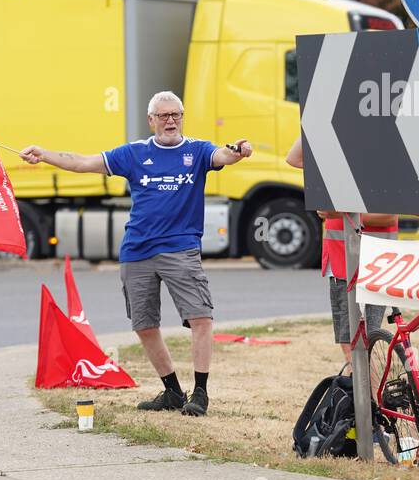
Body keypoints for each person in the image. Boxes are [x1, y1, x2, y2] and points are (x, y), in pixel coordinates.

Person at [20, 91, 250, 417]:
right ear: (151, 120)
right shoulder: (135, 154)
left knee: (201, 318)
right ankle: (172, 391)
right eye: (164, 115)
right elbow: (83, 162)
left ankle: (200, 393)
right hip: (137, 250)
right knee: (144, 325)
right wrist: (44, 155)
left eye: (176, 115)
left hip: (180, 248)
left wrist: (238, 152)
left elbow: (222, 157)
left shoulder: (196, 151)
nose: (171, 121)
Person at [284, 136, 396, 362]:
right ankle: (360, 394)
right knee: (348, 341)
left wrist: (341, 213)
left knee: (367, 340)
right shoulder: (334, 160)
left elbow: (388, 216)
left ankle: (369, 396)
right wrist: (312, 118)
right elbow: (293, 158)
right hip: (339, 262)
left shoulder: (382, 158)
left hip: (374, 262)